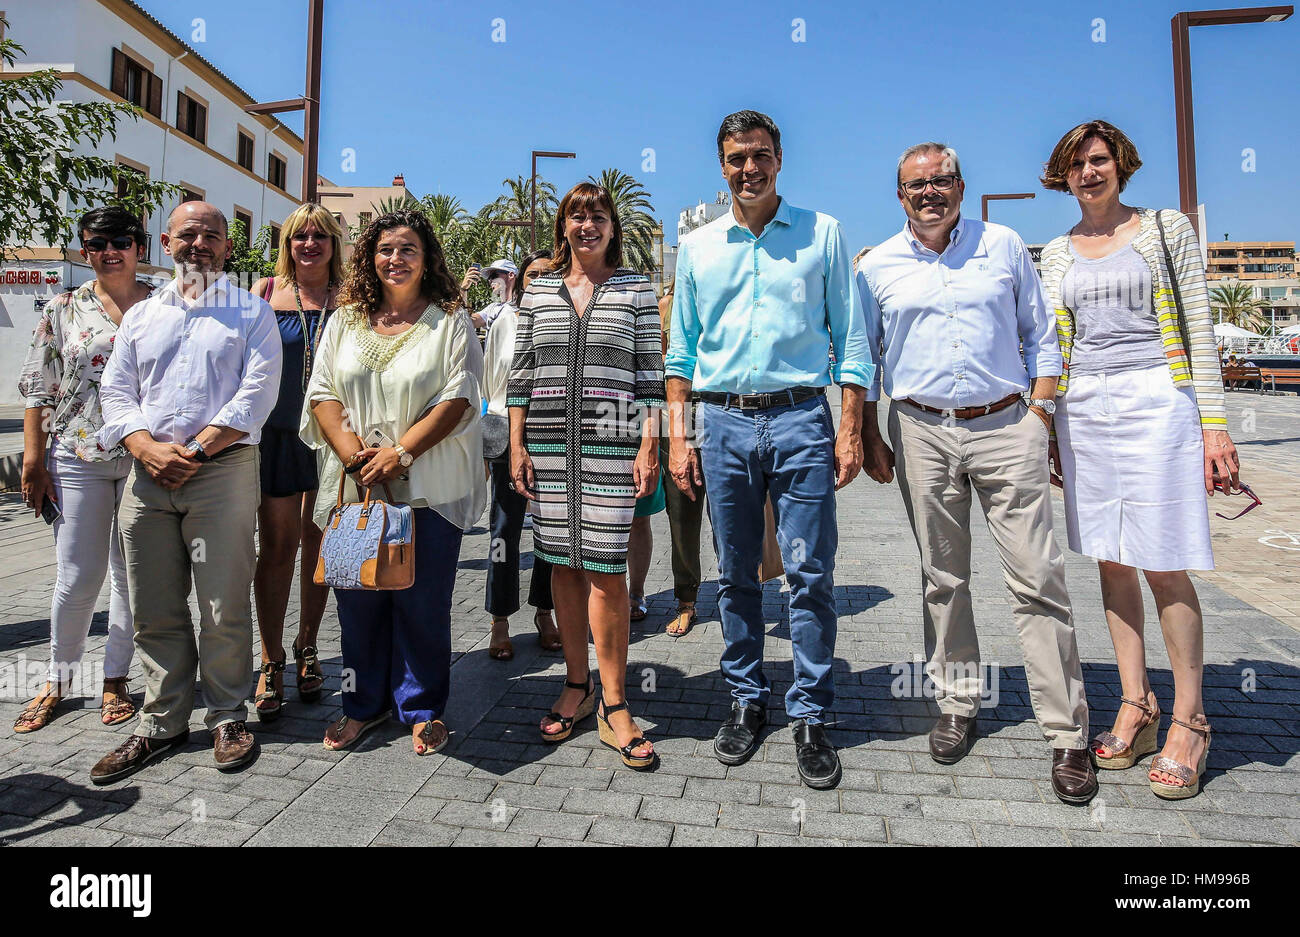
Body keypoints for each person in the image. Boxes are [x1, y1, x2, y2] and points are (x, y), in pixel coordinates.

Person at [856, 142, 1096, 804]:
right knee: (942, 576)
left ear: (961, 185)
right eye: (915, 185)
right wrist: (872, 433)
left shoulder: (1005, 245)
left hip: (1006, 424)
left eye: (941, 181)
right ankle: (957, 702)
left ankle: (1067, 733)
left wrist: (1039, 415)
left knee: (1038, 576)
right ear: (898, 194)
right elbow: (864, 355)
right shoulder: (877, 266)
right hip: (920, 429)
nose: (929, 192)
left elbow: (1041, 336)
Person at [666, 110, 871, 790]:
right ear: (720, 166)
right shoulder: (698, 245)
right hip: (721, 421)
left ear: (779, 158)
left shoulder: (823, 234)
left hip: (799, 419)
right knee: (736, 576)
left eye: (759, 155)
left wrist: (849, 428)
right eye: (735, 158)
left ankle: (812, 712)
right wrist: (679, 434)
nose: (748, 168)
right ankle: (747, 699)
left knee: (811, 572)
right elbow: (682, 351)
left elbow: (853, 340)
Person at [1039, 120, 1237, 799]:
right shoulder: (1059, 252)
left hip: (1160, 400)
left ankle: (1191, 718)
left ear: (1120, 164)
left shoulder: (1163, 229)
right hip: (1086, 410)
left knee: (1163, 558)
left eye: (1098, 160)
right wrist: (1051, 428)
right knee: (1111, 558)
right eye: (1075, 164)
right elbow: (1053, 348)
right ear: (1062, 175)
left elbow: (1200, 328)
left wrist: (1214, 426)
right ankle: (1136, 703)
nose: (1088, 172)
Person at [90, 201, 282, 783]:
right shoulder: (143, 317)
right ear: (167, 244)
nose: (200, 243)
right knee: (153, 606)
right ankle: (162, 721)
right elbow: (116, 389)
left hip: (220, 468)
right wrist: (145, 447)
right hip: (148, 474)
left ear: (228, 248)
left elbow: (259, 391)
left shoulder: (251, 312)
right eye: (189, 234)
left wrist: (197, 448)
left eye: (213, 235)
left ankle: (227, 714)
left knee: (222, 602)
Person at [303, 210, 485, 757]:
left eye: (408, 249)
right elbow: (323, 392)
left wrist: (402, 452)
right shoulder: (346, 320)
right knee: (357, 596)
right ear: (369, 258)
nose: (395, 259)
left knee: (421, 601)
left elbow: (460, 396)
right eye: (385, 249)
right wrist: (357, 456)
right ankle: (363, 704)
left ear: (427, 258)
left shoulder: (449, 319)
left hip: (427, 483)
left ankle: (422, 708)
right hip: (358, 483)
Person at [509, 182, 665, 770]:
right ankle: (576, 686)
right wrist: (518, 445)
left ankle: (615, 702)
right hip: (548, 449)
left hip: (612, 446)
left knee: (607, 569)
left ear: (612, 227)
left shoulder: (634, 291)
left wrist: (649, 446)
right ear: (563, 227)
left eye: (597, 215)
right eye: (577, 216)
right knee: (562, 565)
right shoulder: (539, 291)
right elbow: (520, 372)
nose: (587, 225)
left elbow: (652, 375)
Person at [14, 207, 153, 733]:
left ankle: (115, 678)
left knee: (129, 576)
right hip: (77, 455)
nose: (109, 251)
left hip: (144, 458)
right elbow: (37, 388)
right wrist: (32, 458)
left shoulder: (163, 307)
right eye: (97, 243)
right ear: (84, 251)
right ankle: (59, 678)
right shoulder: (63, 308)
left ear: (140, 246)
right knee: (76, 576)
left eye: (120, 240)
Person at [248, 203, 345, 720]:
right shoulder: (264, 294)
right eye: (299, 236)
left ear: (334, 244)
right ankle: (271, 657)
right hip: (277, 437)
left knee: (320, 544)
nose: (309, 244)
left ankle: (308, 648)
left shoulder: (353, 298)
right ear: (287, 244)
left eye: (320, 236)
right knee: (278, 545)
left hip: (331, 439)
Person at [482, 248, 561, 660]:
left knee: (551, 530)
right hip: (509, 437)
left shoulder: (567, 319)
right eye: (533, 274)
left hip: (554, 438)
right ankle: (500, 619)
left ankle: (544, 612)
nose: (541, 280)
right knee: (504, 529)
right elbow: (492, 382)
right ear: (520, 281)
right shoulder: (505, 322)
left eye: (550, 273)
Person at [657, 279, 707, 637]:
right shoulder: (663, 307)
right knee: (683, 514)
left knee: (732, 514)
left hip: (721, 411)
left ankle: (744, 591)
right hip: (676, 414)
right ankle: (686, 600)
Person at [462, 258, 518, 332]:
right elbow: (465, 322)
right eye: (489, 278)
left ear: (510, 275)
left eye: (494, 276)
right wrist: (463, 289)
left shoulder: (523, 305)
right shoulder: (492, 309)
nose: (491, 281)